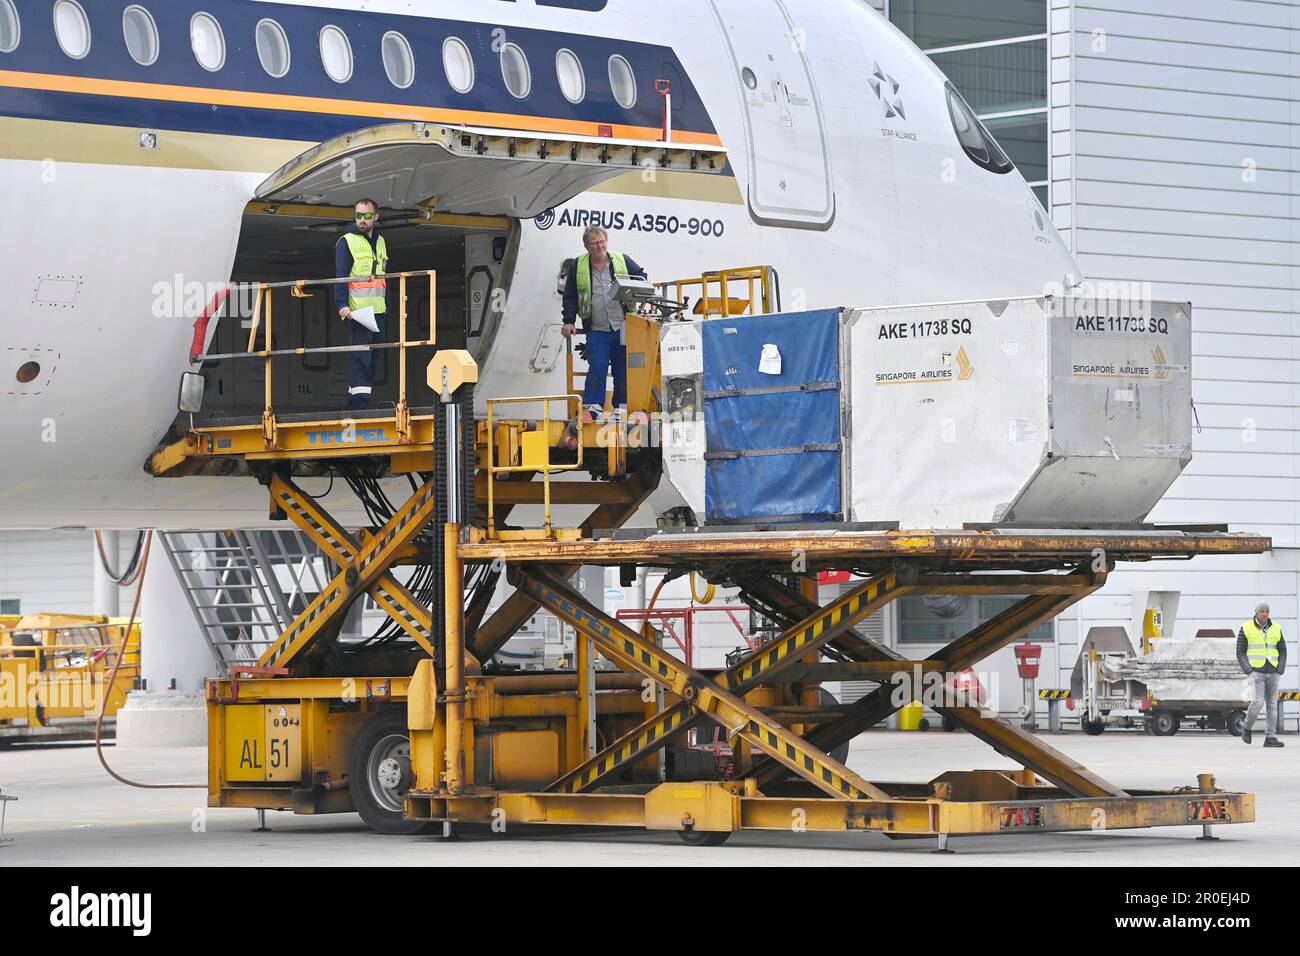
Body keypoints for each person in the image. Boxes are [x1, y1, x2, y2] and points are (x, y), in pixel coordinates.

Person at [561, 226, 646, 419]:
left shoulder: (622, 260)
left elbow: (642, 278)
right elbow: (571, 295)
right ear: (587, 246)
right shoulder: (578, 265)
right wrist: (568, 321)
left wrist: (634, 294)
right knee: (597, 366)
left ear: (606, 242)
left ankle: (621, 409)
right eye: (594, 243)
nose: (599, 246)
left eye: (602, 242)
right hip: (596, 328)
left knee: (622, 369)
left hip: (622, 327)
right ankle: (592, 407)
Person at [335, 198, 389, 412]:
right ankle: (360, 407)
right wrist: (342, 305)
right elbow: (341, 276)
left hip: (379, 311)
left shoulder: (381, 241)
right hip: (357, 312)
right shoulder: (347, 241)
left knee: (374, 359)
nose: (362, 220)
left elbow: (384, 277)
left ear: (376, 217)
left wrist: (388, 306)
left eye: (367, 216)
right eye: (358, 215)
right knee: (361, 359)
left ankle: (354, 401)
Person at [1237, 601, 1286, 746]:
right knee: (1257, 702)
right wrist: (1249, 670)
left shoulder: (1276, 628)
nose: (1265, 614)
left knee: (1272, 705)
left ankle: (1270, 737)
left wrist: (1280, 669)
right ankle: (1246, 727)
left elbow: (1282, 650)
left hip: (1273, 670)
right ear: (1256, 613)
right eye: (1262, 611)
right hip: (1256, 671)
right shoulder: (1246, 628)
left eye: (1267, 611)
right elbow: (1240, 652)